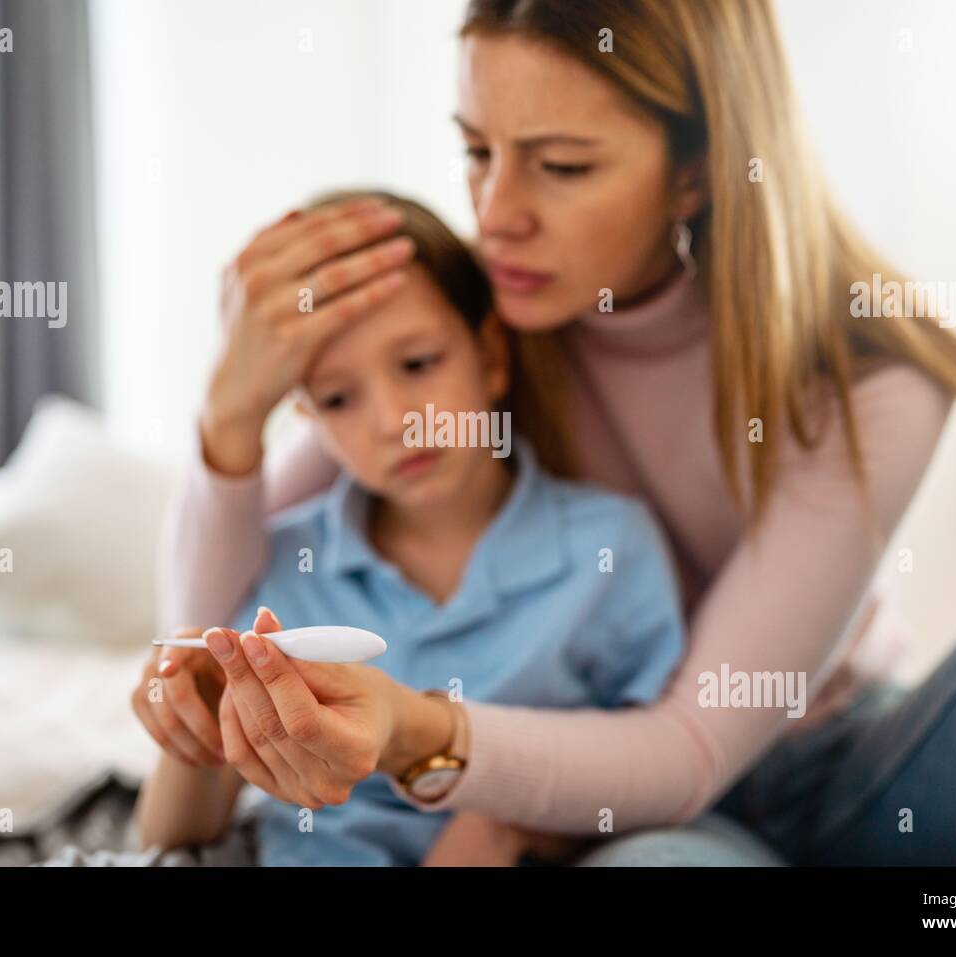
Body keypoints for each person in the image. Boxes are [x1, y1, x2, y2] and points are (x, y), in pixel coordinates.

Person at [149, 0, 956, 865]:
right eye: (477, 151)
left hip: (850, 775)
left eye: (562, 165)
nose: (496, 216)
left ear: (697, 172)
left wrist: (421, 733)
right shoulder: (481, 323)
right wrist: (229, 419)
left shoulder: (872, 376)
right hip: (613, 818)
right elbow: (214, 624)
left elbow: (690, 748)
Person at [133, 192, 688, 865]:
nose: (395, 420)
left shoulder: (608, 548)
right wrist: (191, 737)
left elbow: (650, 780)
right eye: (339, 397)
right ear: (309, 418)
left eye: (419, 364)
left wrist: (507, 825)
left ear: (491, 355)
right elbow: (168, 841)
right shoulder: (284, 565)